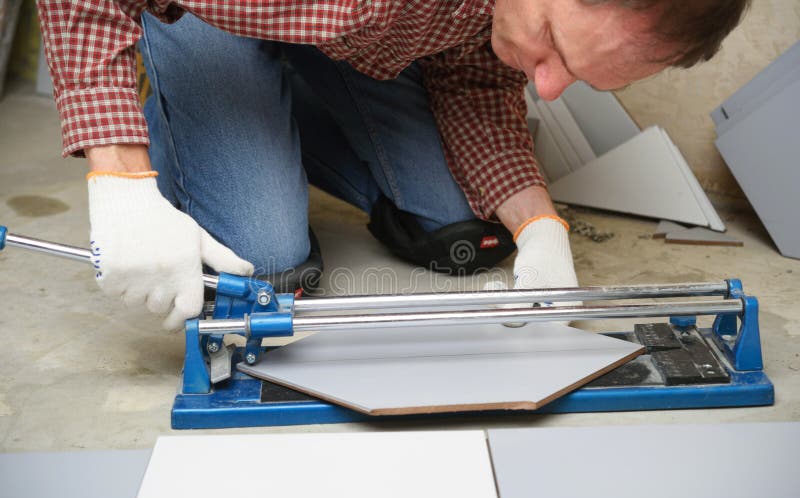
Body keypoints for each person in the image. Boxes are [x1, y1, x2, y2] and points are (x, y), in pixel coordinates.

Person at [36, 0, 749, 330]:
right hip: (203, 13)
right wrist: (121, 180)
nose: (549, 87)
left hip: (346, 28)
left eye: (579, 76)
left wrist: (541, 224)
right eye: (555, 48)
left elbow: (474, 80)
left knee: (460, 230)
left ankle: (262, 99)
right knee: (264, 262)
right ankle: (187, 101)